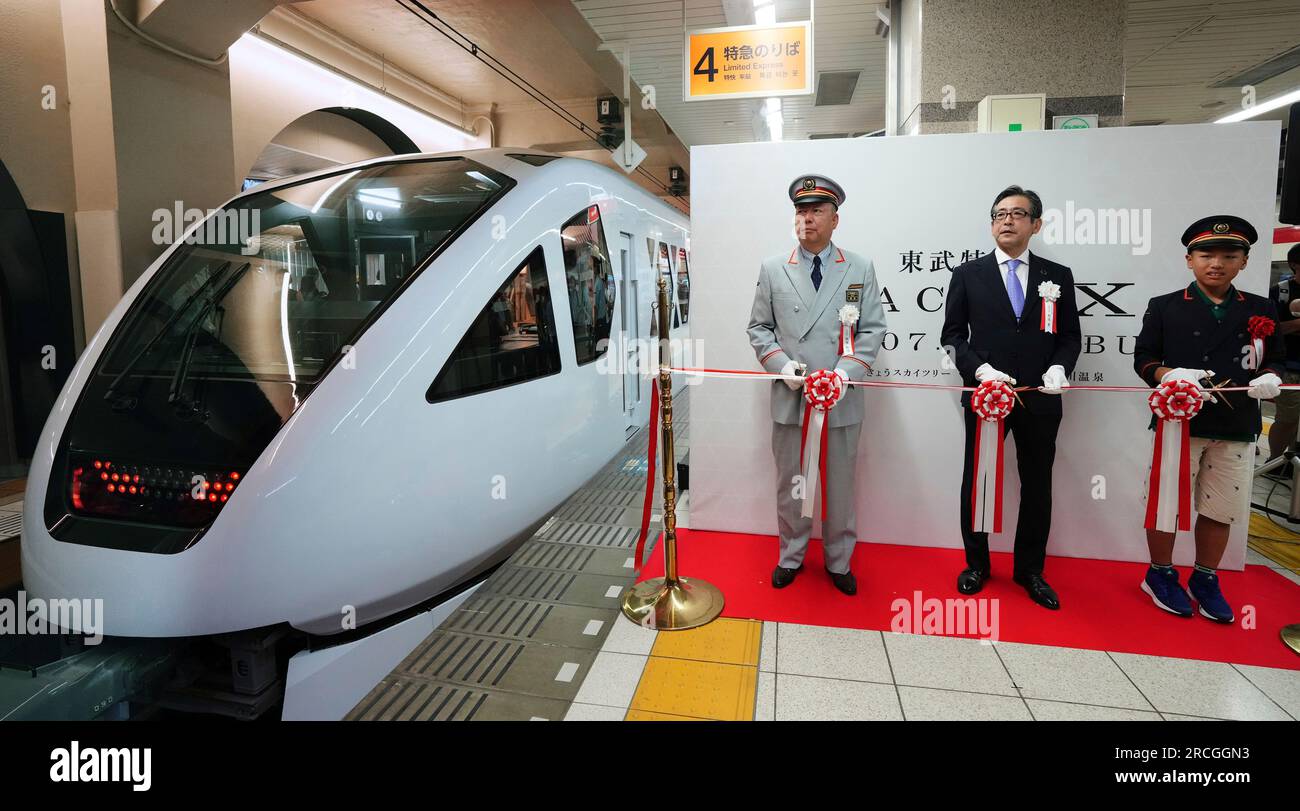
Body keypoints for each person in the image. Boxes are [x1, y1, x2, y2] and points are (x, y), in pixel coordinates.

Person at [1133, 216, 1284, 622]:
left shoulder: (1260, 308)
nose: (1216, 263)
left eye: (1228, 255)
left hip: (1237, 424)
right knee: (1165, 504)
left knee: (1222, 507)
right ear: (1189, 260)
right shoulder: (1164, 306)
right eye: (1206, 254)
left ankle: (1205, 577)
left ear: (1244, 261)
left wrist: (1272, 376)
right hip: (1178, 422)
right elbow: (1143, 359)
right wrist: (1170, 375)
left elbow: (1278, 359)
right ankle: (1160, 574)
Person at [940, 185, 1082, 610]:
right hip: (987, 397)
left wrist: (1060, 367)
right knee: (978, 480)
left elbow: (1070, 336)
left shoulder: (1057, 276)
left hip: (1040, 398)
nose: (1007, 220)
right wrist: (979, 370)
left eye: (1018, 214)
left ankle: (1030, 571)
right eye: (999, 213)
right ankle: (977, 564)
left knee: (1038, 484)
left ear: (1035, 224)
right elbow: (951, 337)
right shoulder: (968, 274)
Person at [746, 175, 887, 595]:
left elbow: (873, 329)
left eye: (816, 211)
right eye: (800, 211)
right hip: (792, 396)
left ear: (835, 219)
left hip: (840, 397)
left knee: (840, 483)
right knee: (792, 481)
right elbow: (759, 328)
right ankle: (791, 555)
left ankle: (839, 560)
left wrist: (844, 373)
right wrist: (783, 366)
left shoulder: (859, 267)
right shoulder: (773, 268)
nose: (806, 218)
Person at [1265, 243, 1300, 463]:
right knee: (1288, 417)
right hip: (1289, 367)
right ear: (1295, 265)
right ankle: (1276, 461)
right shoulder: (1280, 293)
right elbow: (1269, 330)